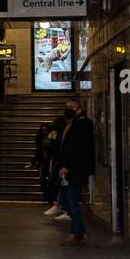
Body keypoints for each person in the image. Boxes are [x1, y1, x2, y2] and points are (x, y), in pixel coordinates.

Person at [53, 96, 95, 245]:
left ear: (80, 107)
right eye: (67, 106)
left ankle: (76, 233)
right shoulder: (71, 124)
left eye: (71, 107)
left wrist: (67, 166)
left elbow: (80, 149)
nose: (68, 109)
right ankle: (80, 231)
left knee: (71, 202)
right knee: (65, 201)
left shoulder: (84, 124)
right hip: (67, 170)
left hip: (74, 170)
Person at [42, 114, 67, 216]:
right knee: (64, 184)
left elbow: (48, 147)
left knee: (62, 184)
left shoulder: (54, 133)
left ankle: (61, 206)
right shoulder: (64, 133)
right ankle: (62, 206)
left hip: (59, 162)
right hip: (62, 161)